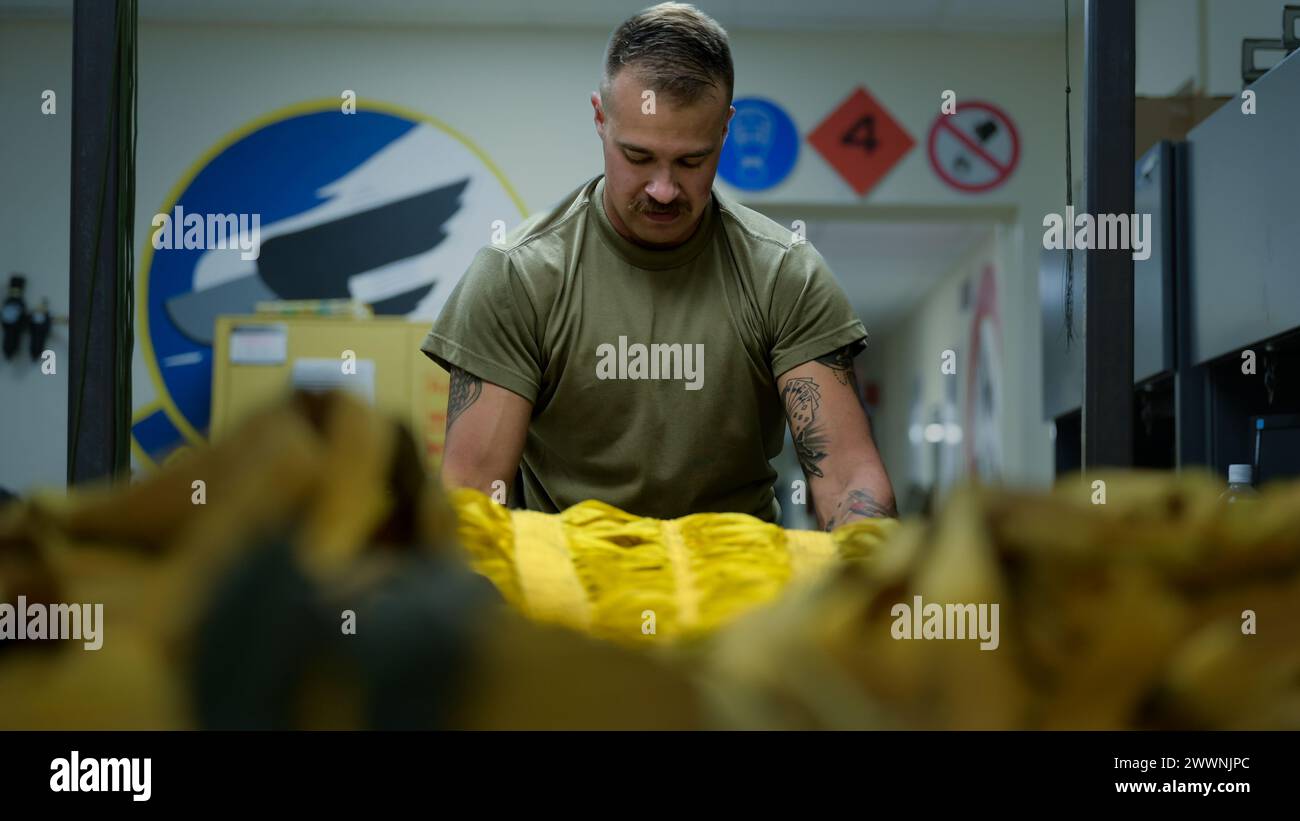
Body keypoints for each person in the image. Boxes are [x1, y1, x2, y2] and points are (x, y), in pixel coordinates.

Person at [422, 2, 896, 530]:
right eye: (639, 157)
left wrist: (868, 568)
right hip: (566, 592)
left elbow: (850, 477)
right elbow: (473, 496)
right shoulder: (517, 277)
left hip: (735, 589)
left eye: (691, 161)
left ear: (724, 130)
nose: (664, 190)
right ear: (600, 119)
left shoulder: (786, 276)